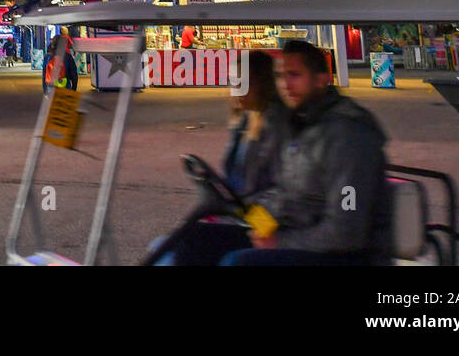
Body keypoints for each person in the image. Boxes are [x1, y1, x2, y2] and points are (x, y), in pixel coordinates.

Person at [221, 40, 392, 266]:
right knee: (193, 241)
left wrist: (279, 242)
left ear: (321, 80)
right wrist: (254, 221)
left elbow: (345, 230)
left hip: (346, 256)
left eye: (294, 75)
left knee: (238, 262)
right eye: (281, 76)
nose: (285, 85)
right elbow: (285, 195)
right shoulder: (302, 124)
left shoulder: (348, 137)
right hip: (299, 238)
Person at [151, 51, 288, 265]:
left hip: (263, 225)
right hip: (240, 216)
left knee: (190, 241)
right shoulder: (244, 122)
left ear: (262, 85)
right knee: (162, 245)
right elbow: (231, 183)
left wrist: (244, 216)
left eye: (241, 83)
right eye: (233, 82)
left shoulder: (278, 129)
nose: (234, 90)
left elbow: (280, 193)